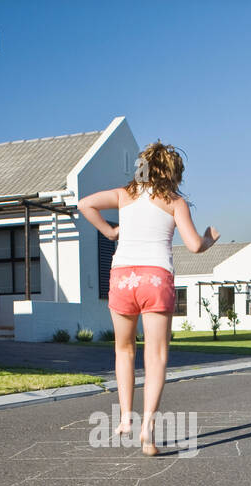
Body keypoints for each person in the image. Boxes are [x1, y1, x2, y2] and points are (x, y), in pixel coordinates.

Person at [80, 142, 218, 455]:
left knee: (124, 350)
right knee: (155, 355)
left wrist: (110, 232)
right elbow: (195, 246)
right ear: (172, 173)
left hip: (123, 277)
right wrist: (211, 237)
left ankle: (126, 418)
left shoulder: (122, 195)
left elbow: (84, 203)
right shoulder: (174, 201)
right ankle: (148, 430)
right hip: (155, 278)